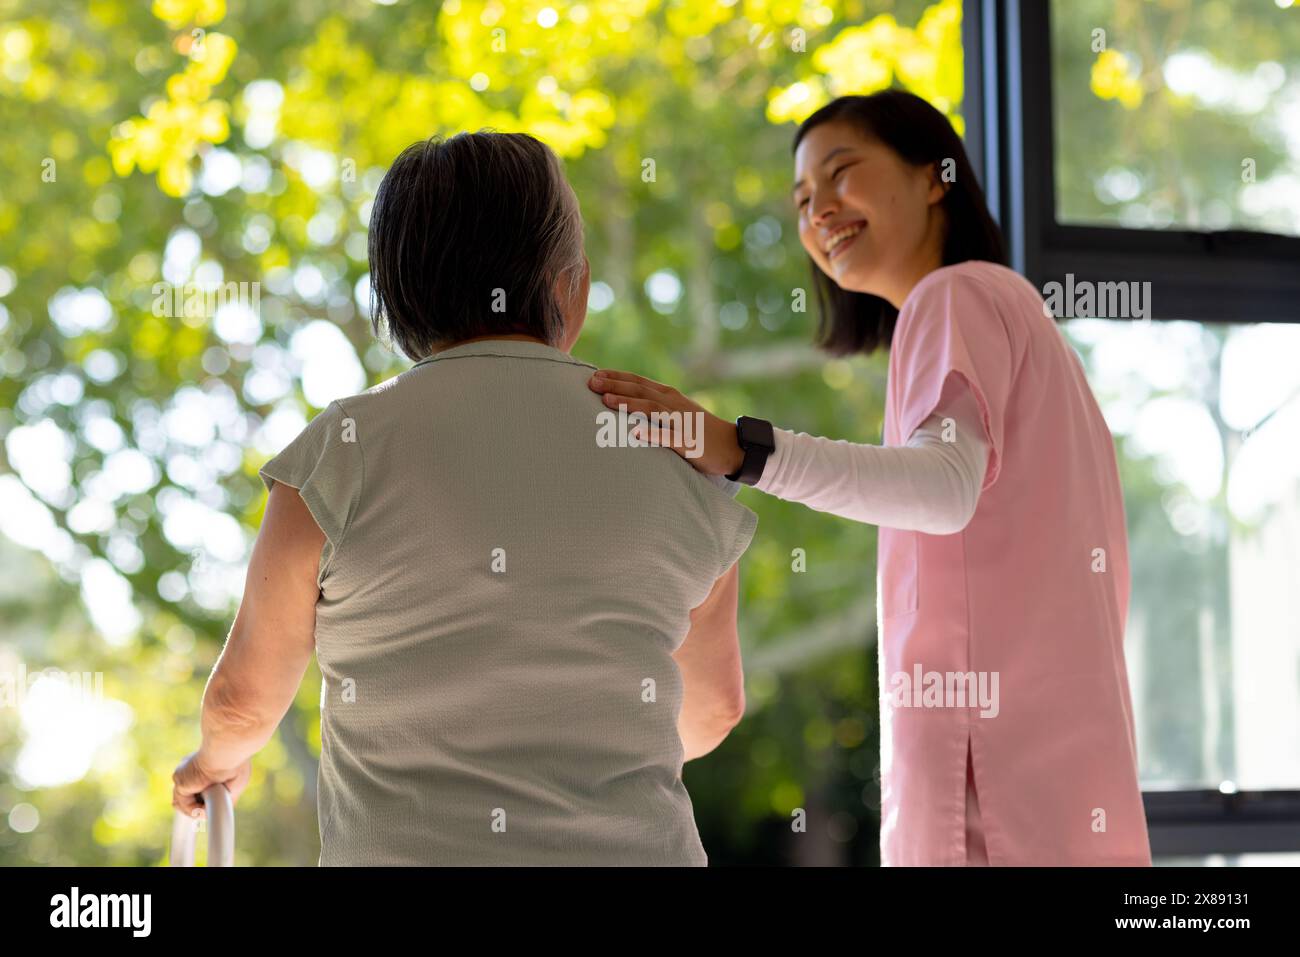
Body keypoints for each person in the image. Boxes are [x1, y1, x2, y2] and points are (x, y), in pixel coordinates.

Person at [587, 90, 1152, 866]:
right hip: (1056, 781)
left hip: (990, 788)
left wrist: (739, 447)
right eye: (802, 199)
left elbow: (942, 490)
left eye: (842, 173)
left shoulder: (955, 296)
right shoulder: (1013, 316)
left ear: (933, 177)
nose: (820, 208)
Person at [171, 131, 757, 865]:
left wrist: (215, 760)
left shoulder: (341, 449)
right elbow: (713, 707)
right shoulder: (679, 455)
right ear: (567, 287)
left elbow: (243, 702)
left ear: (396, 299)